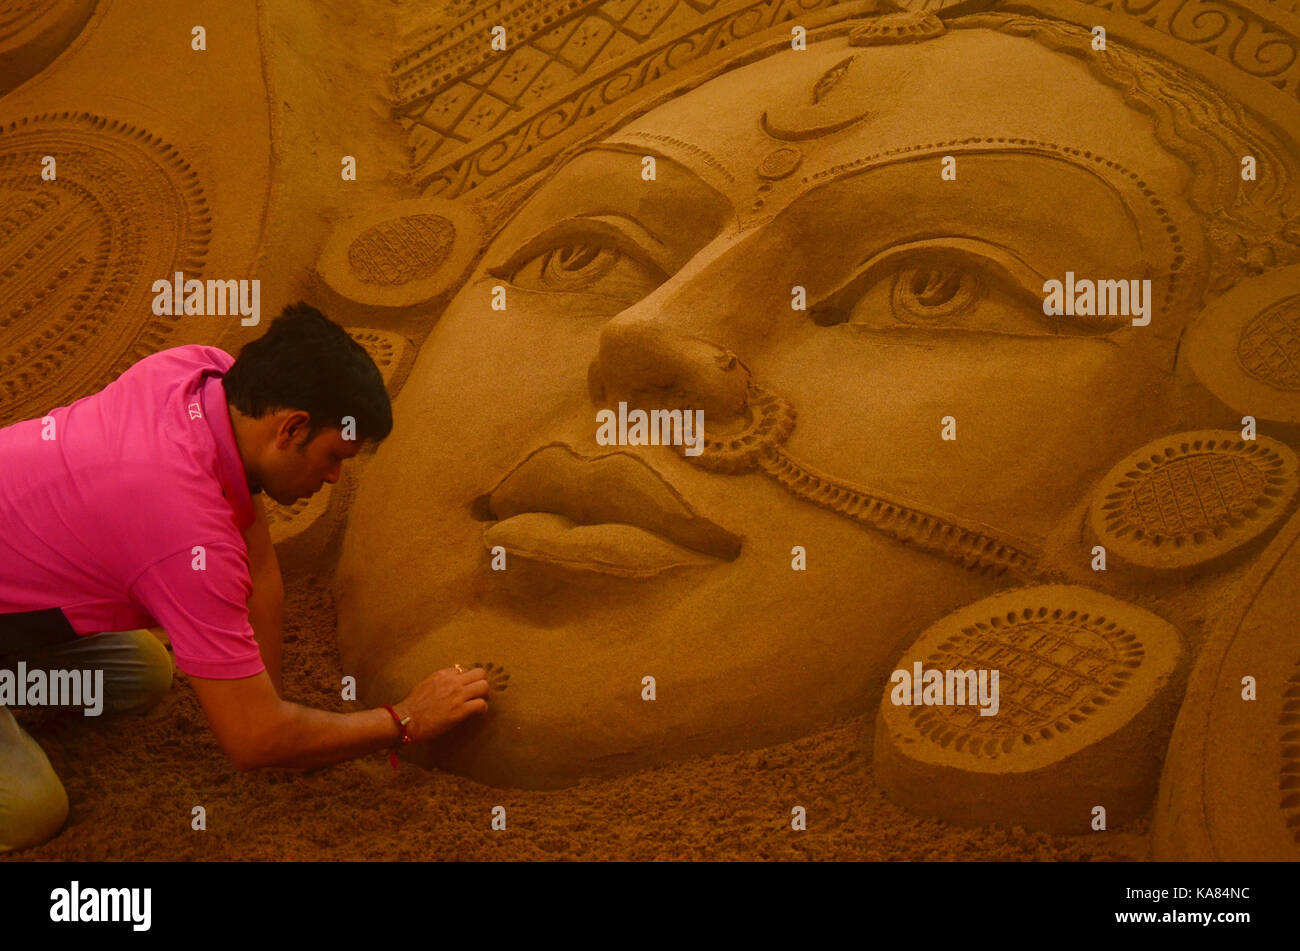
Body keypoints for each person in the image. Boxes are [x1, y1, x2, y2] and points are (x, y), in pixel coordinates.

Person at [0, 302, 489, 852]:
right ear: (292, 428)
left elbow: (259, 565)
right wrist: (405, 720)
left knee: (142, 674)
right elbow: (252, 742)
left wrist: (277, 710)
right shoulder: (184, 533)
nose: (333, 477)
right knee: (29, 810)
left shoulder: (201, 375)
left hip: (19, 594)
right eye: (333, 457)